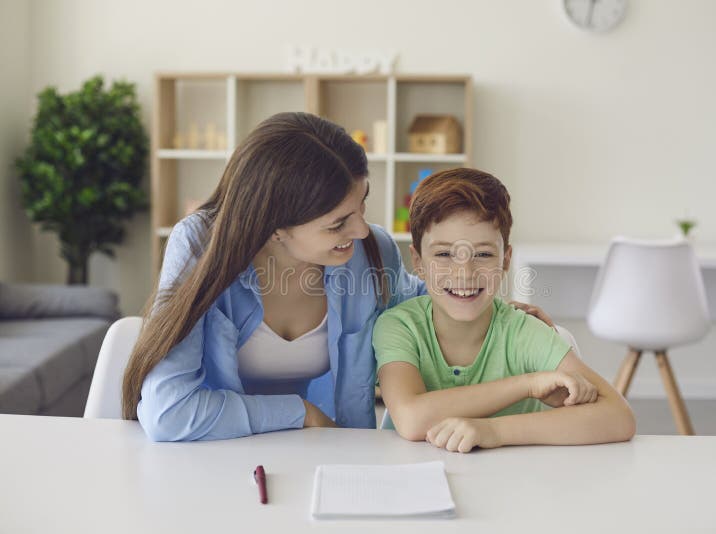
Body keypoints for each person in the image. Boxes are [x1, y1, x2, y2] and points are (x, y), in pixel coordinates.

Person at [122, 113, 549, 441]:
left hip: (332, 456)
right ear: (275, 227)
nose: (362, 230)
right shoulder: (199, 246)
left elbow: (423, 304)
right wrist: (300, 413)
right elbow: (168, 413)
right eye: (338, 222)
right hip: (215, 462)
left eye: (362, 206)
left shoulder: (371, 251)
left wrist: (493, 311)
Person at [373, 168, 636, 453]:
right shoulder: (399, 326)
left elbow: (618, 416)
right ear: (418, 261)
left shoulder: (523, 331)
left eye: (483, 254)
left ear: (506, 260)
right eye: (444, 254)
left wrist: (493, 431)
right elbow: (411, 419)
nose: (465, 273)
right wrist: (528, 384)